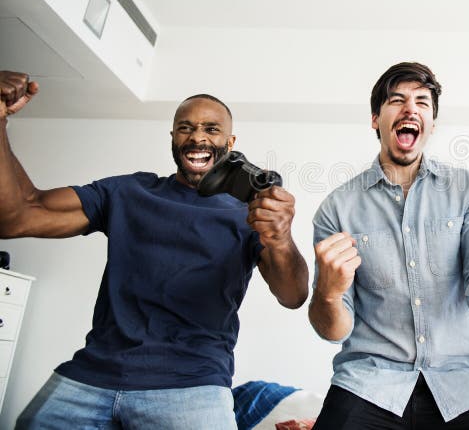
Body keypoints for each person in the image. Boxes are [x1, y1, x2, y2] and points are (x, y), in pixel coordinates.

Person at [0, 71, 309, 429]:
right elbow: (18, 216)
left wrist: (281, 237)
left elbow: (294, 295)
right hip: (92, 375)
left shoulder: (251, 214)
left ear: (230, 140)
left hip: (193, 385)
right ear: (174, 137)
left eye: (211, 129)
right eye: (185, 127)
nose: (197, 137)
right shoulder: (129, 192)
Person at [308, 61, 469, 429]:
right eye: (397, 100)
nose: (410, 109)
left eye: (422, 102)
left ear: (432, 125)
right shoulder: (337, 208)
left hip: (462, 383)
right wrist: (327, 293)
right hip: (368, 384)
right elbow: (334, 330)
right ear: (376, 119)